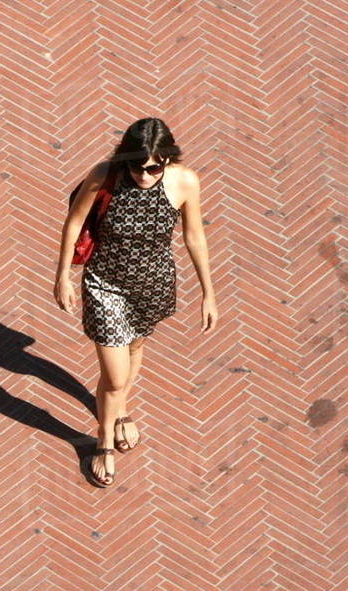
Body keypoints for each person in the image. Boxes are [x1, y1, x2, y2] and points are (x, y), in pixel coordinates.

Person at [53, 118, 218, 487]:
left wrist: (209, 293)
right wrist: (63, 275)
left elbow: (195, 237)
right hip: (105, 284)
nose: (144, 175)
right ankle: (104, 441)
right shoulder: (104, 175)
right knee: (115, 376)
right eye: (136, 166)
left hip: (153, 285)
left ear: (167, 160)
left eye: (153, 168)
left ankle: (121, 410)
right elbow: (74, 222)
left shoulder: (185, 181)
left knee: (135, 347)